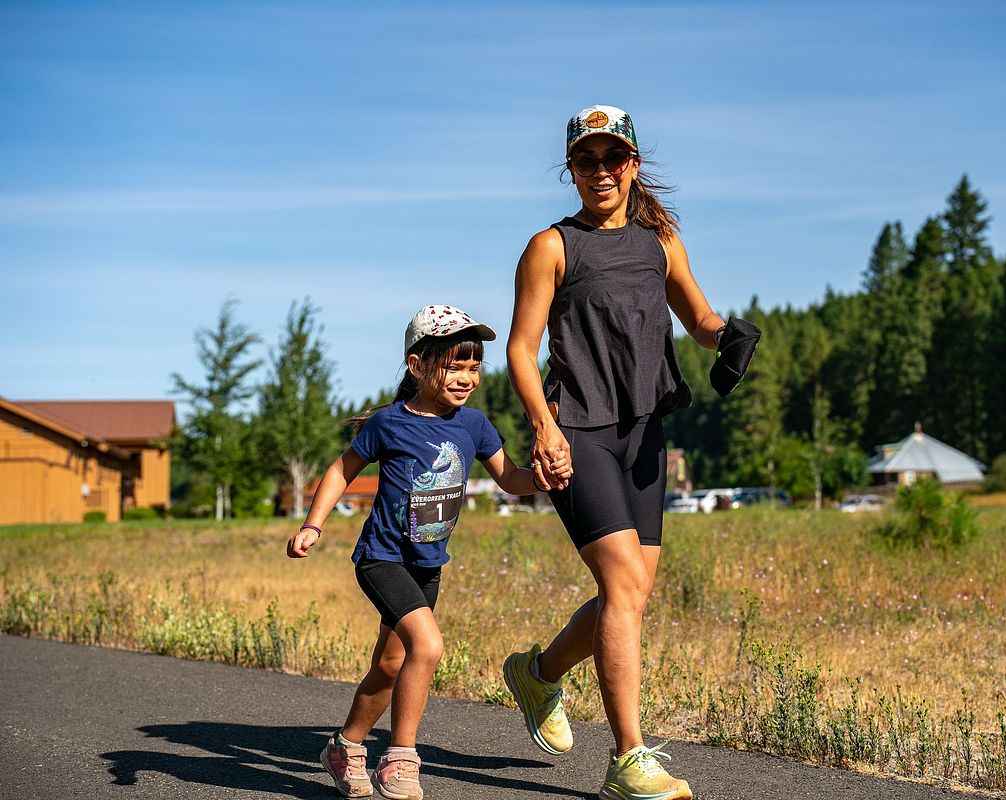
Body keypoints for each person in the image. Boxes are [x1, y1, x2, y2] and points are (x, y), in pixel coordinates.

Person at [504, 105, 735, 800]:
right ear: (571, 169)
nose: (600, 171)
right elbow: (521, 349)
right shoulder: (552, 246)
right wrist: (544, 429)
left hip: (643, 432)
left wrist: (730, 338)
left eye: (612, 158)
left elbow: (698, 318)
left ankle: (538, 674)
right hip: (578, 431)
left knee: (627, 594)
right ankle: (629, 759)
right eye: (586, 160)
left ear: (633, 164)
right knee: (625, 585)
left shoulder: (660, 241)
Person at [288, 305, 568, 800]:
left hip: (427, 565)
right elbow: (339, 471)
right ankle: (401, 759)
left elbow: (510, 479)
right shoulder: (389, 423)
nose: (466, 378)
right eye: (454, 366)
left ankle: (345, 747)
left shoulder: (474, 425)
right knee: (428, 646)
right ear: (417, 366)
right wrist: (313, 524)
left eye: (474, 367)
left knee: (390, 665)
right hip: (382, 558)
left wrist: (542, 479)